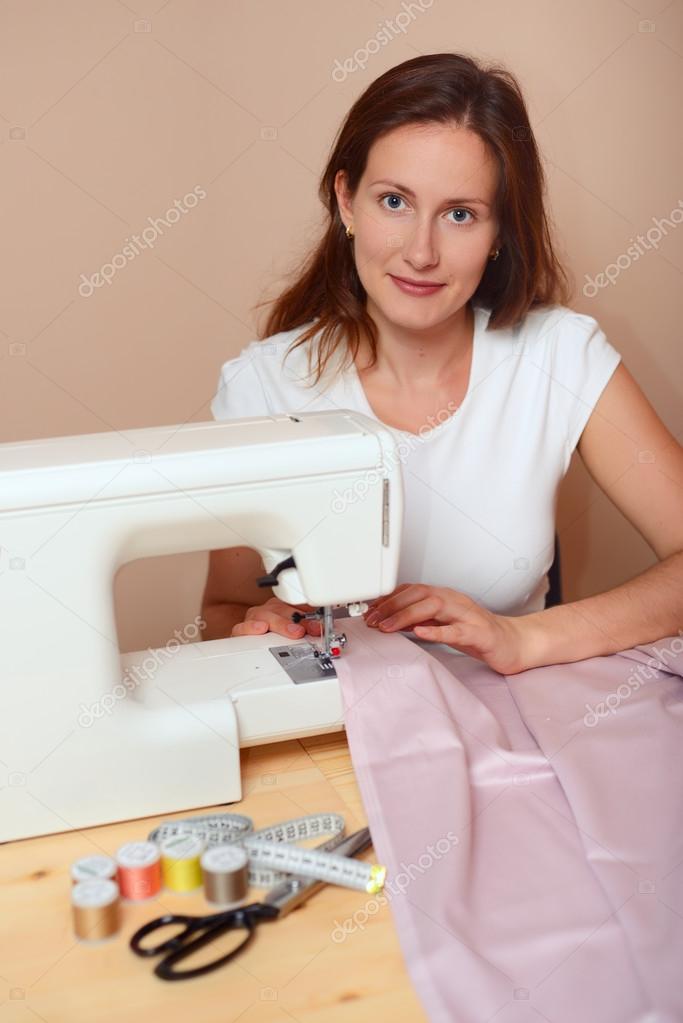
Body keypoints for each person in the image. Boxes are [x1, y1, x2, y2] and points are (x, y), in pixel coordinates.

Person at [201, 52, 683, 675]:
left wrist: (522, 639)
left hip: (517, 717)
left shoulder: (560, 356)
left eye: (460, 214)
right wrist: (256, 627)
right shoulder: (263, 389)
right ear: (346, 201)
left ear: (500, 230)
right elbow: (223, 607)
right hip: (349, 723)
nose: (421, 252)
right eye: (394, 202)